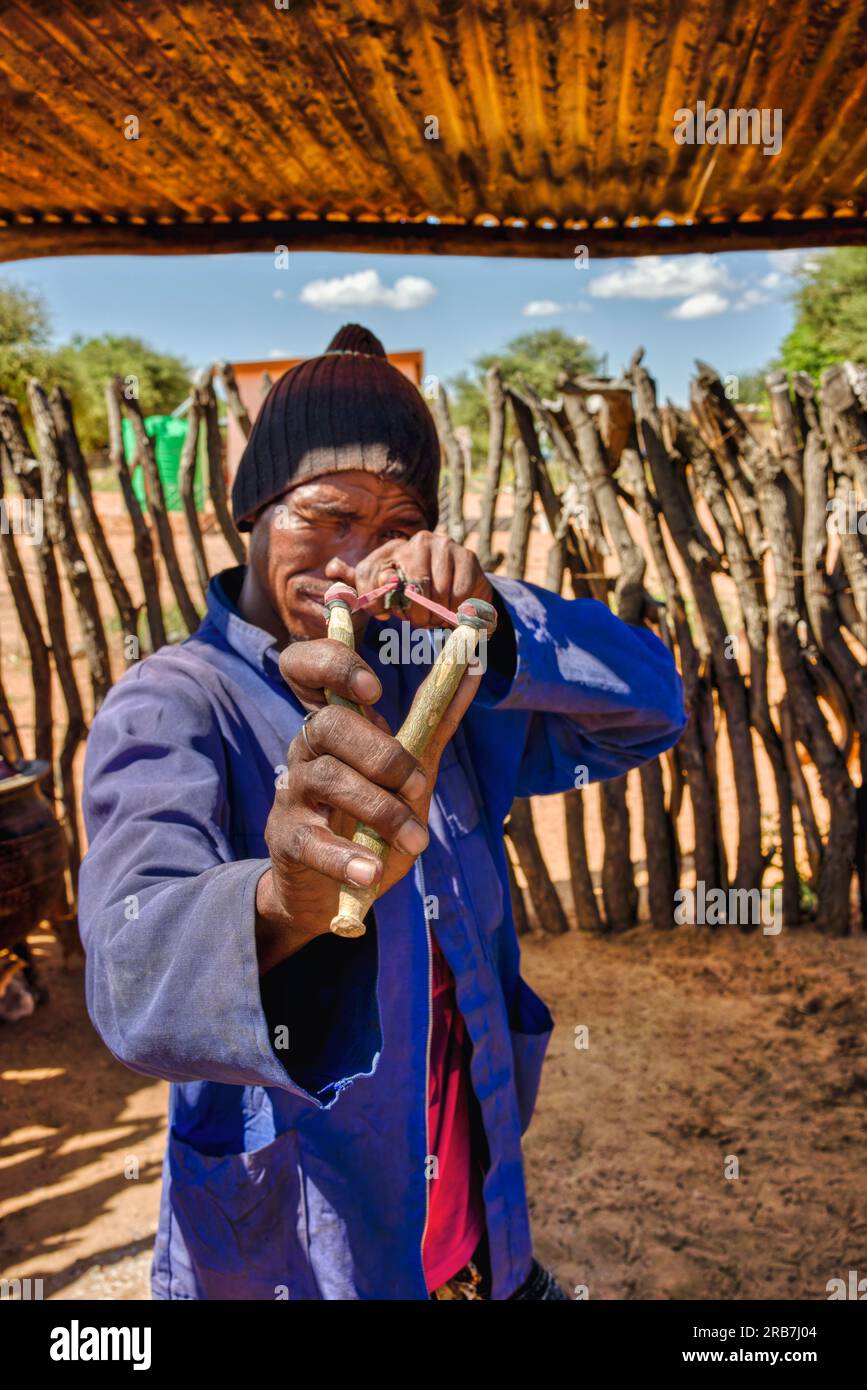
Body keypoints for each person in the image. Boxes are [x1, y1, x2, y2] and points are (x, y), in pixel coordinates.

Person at [79, 324, 686, 1301]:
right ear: (254, 513)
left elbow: (652, 708)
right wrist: (288, 898)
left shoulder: (442, 694)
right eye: (326, 516)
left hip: (475, 1233)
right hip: (302, 1264)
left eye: (397, 523)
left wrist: (493, 612)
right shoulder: (177, 702)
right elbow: (127, 973)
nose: (358, 555)